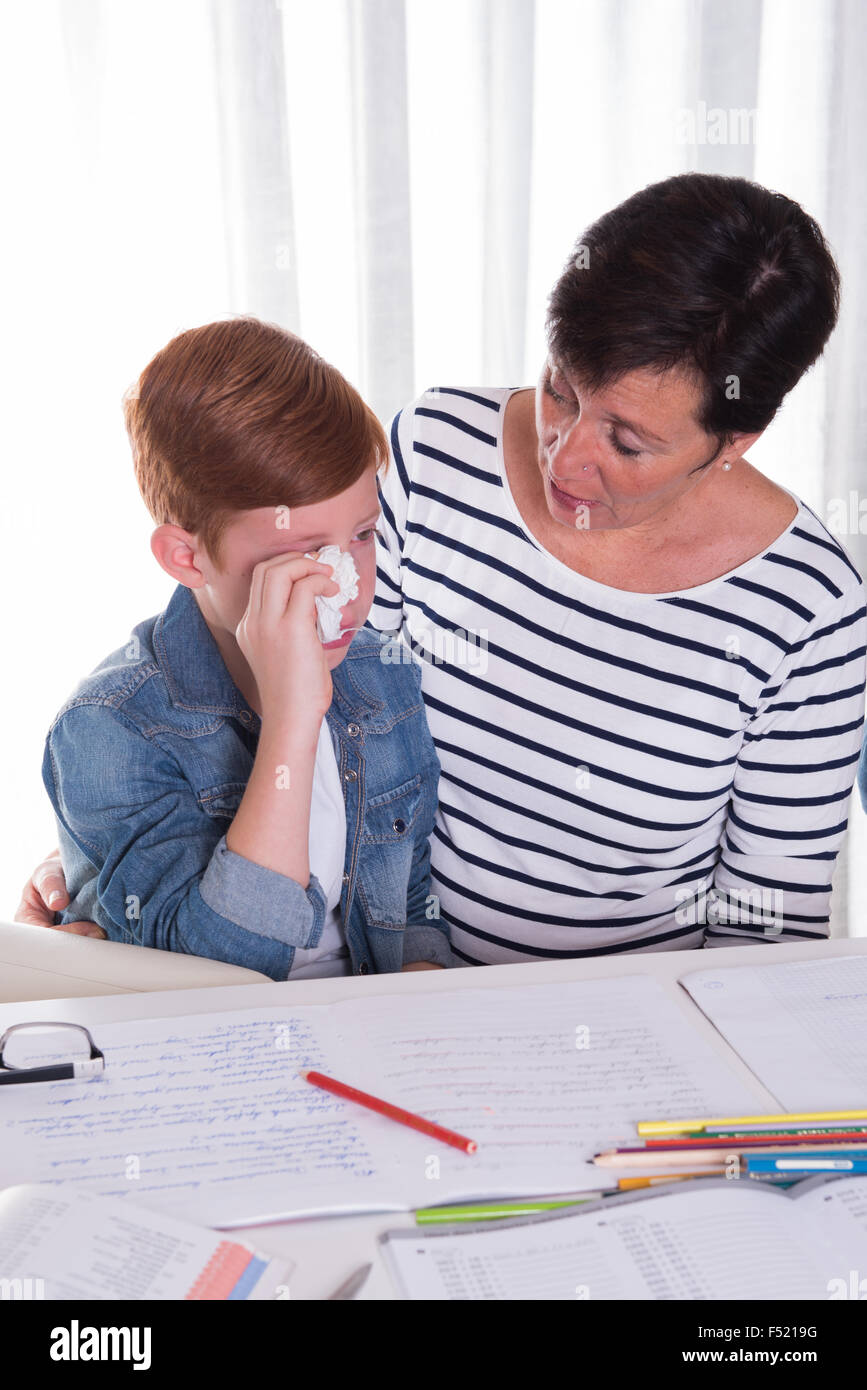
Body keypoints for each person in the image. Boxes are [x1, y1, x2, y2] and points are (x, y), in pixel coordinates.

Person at [21, 173, 867, 962]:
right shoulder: (432, 455)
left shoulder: (808, 609)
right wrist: (111, 857)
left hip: (629, 1033)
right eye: (561, 390)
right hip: (388, 998)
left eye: (627, 441)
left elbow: (767, 932)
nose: (564, 459)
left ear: (732, 441)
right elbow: (282, 668)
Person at [25, 318, 449, 980]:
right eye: (299, 552)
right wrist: (291, 719)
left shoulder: (380, 677)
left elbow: (413, 905)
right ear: (186, 557)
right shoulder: (109, 729)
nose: (346, 583)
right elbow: (219, 980)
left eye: (362, 534)